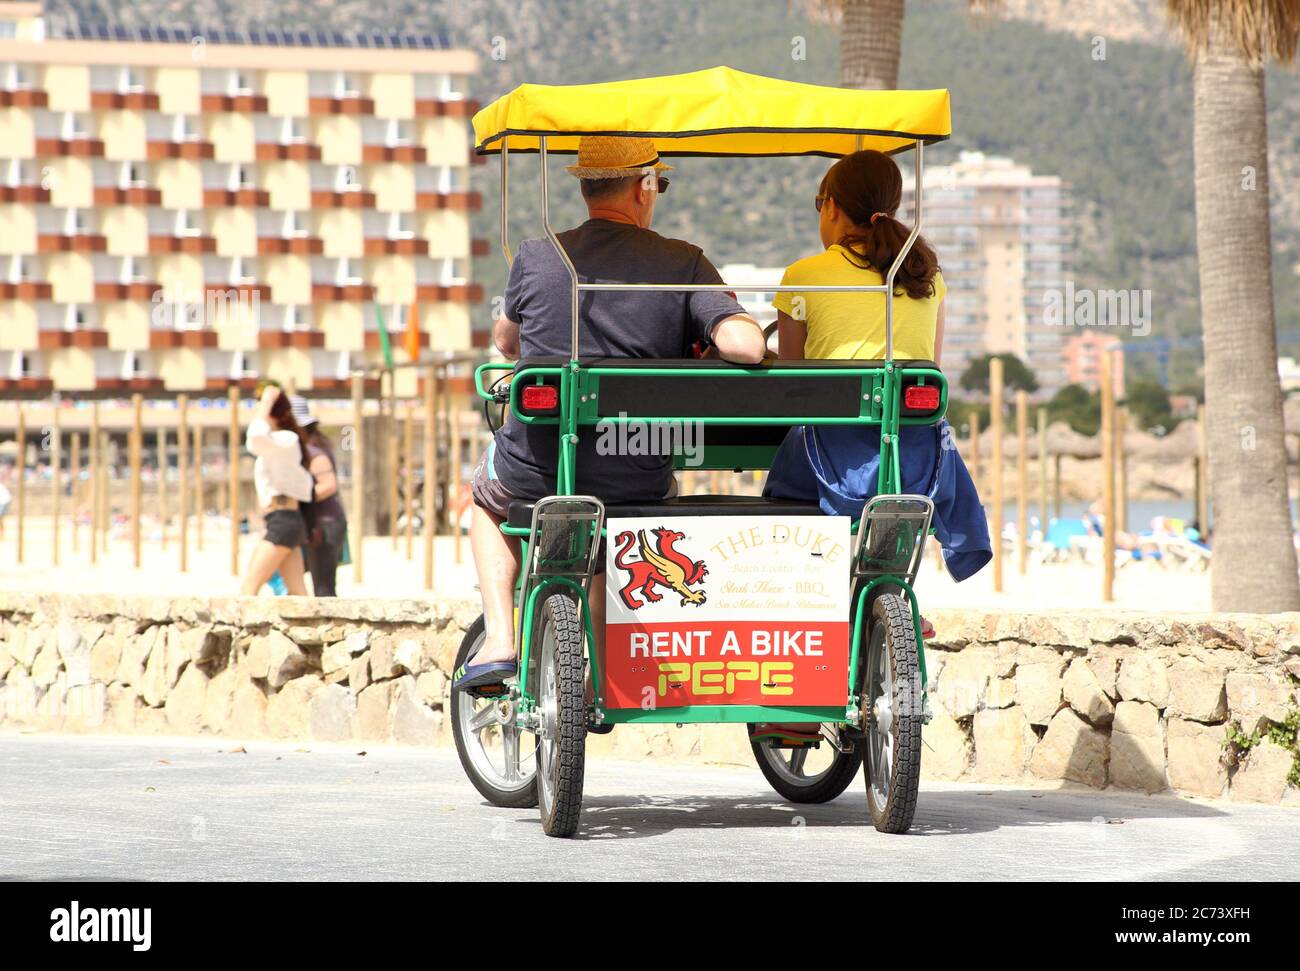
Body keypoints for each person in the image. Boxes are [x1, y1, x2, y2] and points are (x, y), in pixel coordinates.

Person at [456, 135, 767, 691]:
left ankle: (502, 639)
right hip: (638, 470)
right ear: (645, 187)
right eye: (660, 184)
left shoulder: (537, 253)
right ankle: (599, 669)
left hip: (540, 469)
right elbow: (747, 348)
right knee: (618, 511)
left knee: (485, 492)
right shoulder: (682, 261)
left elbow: (505, 341)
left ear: (584, 188)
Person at [764, 149, 991, 585]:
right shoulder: (926, 274)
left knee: (779, 492)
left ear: (831, 206)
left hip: (827, 461)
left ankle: (810, 593)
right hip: (917, 459)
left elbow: (791, 378)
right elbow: (928, 368)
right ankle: (894, 593)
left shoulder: (803, 274)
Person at [239, 383, 314, 596]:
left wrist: (266, 404)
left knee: (249, 589)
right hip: (284, 520)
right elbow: (256, 441)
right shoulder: (280, 443)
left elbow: (254, 437)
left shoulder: (286, 439)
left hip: (284, 520)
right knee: (298, 594)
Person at [290, 394, 348, 597]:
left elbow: (329, 485)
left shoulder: (312, 450)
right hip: (325, 522)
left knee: (323, 588)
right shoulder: (315, 445)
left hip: (324, 524)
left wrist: (296, 498)